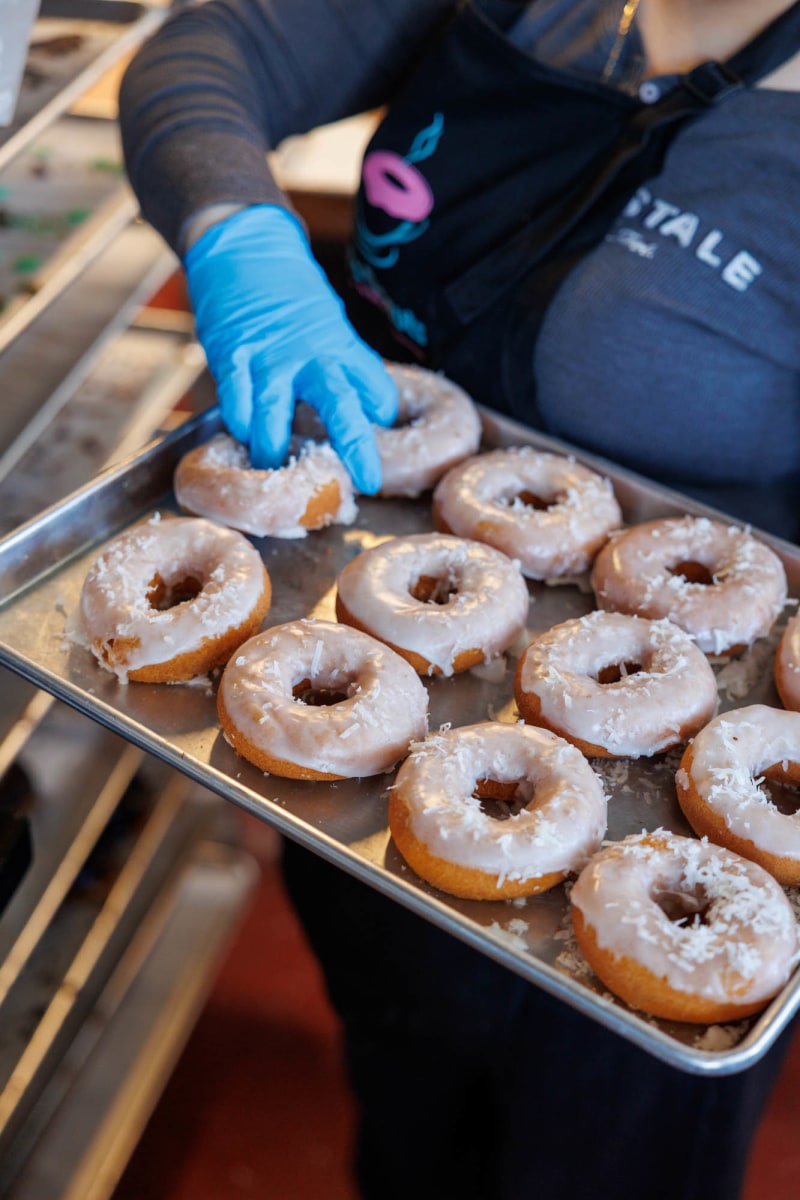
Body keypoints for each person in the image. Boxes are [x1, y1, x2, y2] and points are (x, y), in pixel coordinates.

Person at [118, 3, 800, 1197]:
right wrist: (237, 229)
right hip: (364, 707)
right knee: (406, 1104)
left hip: (671, 796)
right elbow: (206, 50)